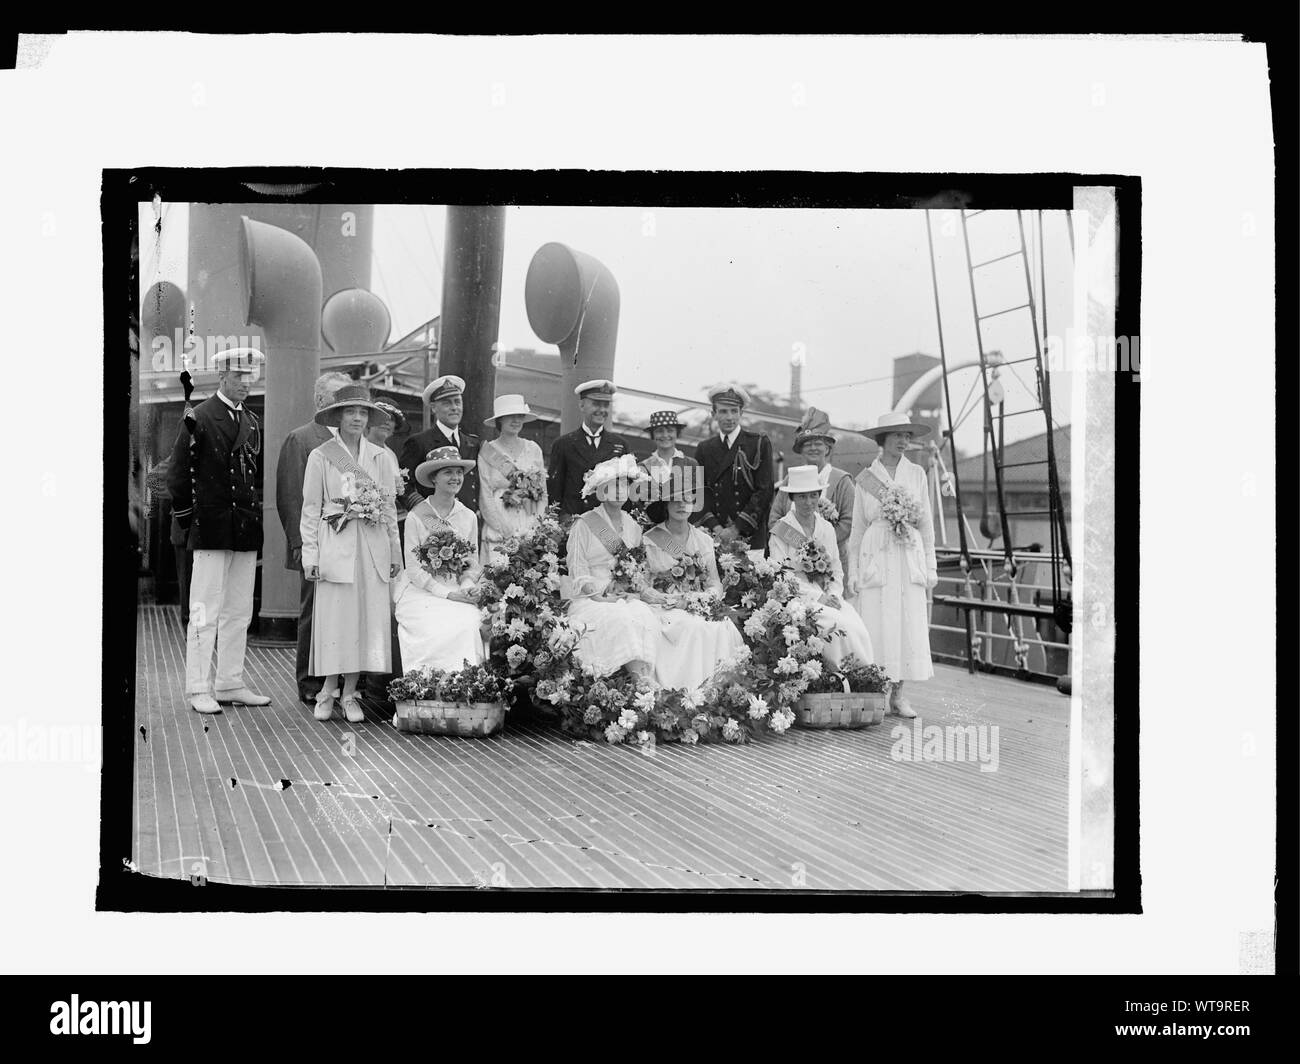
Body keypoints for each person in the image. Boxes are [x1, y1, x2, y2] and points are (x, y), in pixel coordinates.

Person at [167, 348, 271, 714]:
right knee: (204, 611)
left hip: (243, 529)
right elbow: (176, 476)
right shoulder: (198, 417)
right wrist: (190, 521)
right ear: (222, 376)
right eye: (238, 375)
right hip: (210, 528)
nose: (245, 382)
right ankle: (198, 688)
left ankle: (229, 682)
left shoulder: (253, 422)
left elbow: (252, 480)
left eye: (250, 375)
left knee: (239, 611)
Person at [300, 383, 402, 724]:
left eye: (362, 412)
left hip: (372, 548)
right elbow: (311, 510)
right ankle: (328, 690)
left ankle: (350, 694)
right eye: (350, 412)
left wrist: (394, 555)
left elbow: (388, 509)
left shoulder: (382, 457)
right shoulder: (322, 455)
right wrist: (310, 557)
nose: (357, 418)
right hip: (335, 547)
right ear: (338, 417)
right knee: (335, 621)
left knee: (366, 621)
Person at [847, 412, 937, 718]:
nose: (903, 441)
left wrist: (931, 565)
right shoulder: (866, 478)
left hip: (906, 552)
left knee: (906, 623)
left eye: (907, 436)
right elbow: (858, 528)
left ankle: (899, 695)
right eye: (897, 435)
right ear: (882, 439)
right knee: (878, 622)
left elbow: (926, 525)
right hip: (877, 552)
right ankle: (878, 692)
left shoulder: (916, 474)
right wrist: (853, 570)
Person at [276, 370, 351, 705]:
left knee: (341, 612)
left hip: (349, 545)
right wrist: (301, 547)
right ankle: (309, 682)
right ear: (320, 400)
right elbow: (291, 498)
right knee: (313, 612)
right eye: (336, 397)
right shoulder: (303, 438)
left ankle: (339, 681)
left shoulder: (350, 442)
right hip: (316, 543)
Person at [768, 464, 875, 671]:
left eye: (813, 496)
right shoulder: (782, 529)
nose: (809, 502)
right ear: (793, 499)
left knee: (856, 624)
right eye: (802, 497)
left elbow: (836, 568)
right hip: (797, 598)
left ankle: (862, 677)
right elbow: (781, 577)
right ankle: (840, 674)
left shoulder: (826, 527)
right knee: (837, 624)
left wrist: (833, 593)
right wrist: (818, 598)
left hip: (827, 593)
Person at [564, 456, 661, 679]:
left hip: (623, 595)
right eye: (613, 485)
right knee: (621, 618)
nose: (619, 491)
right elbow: (577, 569)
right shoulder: (585, 523)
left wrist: (636, 591)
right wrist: (598, 596)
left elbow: (637, 570)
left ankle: (643, 680)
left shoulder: (634, 527)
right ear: (602, 490)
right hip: (592, 598)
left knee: (644, 616)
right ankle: (634, 682)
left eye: (624, 485)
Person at [643, 484, 746, 690]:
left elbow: (714, 582)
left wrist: (707, 598)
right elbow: (642, 586)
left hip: (697, 604)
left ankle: (714, 692)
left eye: (687, 498)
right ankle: (685, 691)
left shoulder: (704, 540)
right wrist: (668, 600)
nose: (682, 504)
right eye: (675, 499)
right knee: (693, 627)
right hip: (665, 607)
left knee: (720, 625)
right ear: (666, 504)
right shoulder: (650, 540)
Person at [394, 446, 486, 674]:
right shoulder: (417, 515)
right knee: (433, 626)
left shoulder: (468, 516)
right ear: (434, 478)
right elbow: (414, 570)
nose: (455, 478)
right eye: (448, 472)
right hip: (423, 591)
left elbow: (471, 563)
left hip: (456, 588)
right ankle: (424, 688)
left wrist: (466, 586)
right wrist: (447, 594)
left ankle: (466, 687)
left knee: (469, 623)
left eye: (459, 472)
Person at [768, 406, 855, 576]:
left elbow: (848, 523)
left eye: (818, 443)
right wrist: (803, 546)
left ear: (828, 448)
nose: (813, 448)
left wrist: (819, 548)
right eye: (807, 444)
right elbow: (774, 520)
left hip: (830, 563)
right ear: (801, 449)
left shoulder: (842, 480)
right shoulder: (790, 479)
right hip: (792, 563)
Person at [693, 383, 775, 551]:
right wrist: (716, 528)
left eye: (734, 411)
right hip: (714, 536)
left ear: (741, 413)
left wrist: (736, 529)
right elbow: (698, 493)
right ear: (713, 414)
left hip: (750, 536)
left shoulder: (758, 443)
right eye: (723, 411)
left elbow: (765, 491)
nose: (729, 417)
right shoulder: (704, 448)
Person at [477, 394, 547, 566]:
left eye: (520, 415)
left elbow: (543, 493)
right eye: (510, 415)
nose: (516, 420)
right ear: (500, 419)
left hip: (528, 520)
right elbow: (485, 495)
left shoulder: (533, 449)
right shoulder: (488, 451)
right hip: (499, 522)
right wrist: (503, 528)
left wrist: (535, 525)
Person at [399, 375, 480, 515]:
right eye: (447, 403)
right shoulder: (419, 442)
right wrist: (425, 512)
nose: (454, 408)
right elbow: (402, 484)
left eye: (457, 402)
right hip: (433, 524)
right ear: (433, 408)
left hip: (467, 521)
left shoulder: (473, 443)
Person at [547, 380, 629, 517]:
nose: (602, 410)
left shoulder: (620, 445)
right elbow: (555, 491)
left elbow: (624, 490)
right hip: (574, 523)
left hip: (607, 525)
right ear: (581, 405)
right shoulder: (563, 444)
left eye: (606, 405)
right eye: (596, 404)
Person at [639, 409, 700, 525]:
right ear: (653, 435)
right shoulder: (642, 467)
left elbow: (697, 500)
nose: (665, 435)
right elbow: (640, 503)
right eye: (659, 431)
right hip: (654, 530)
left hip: (683, 527)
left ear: (677, 433)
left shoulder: (691, 464)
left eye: (670, 430)